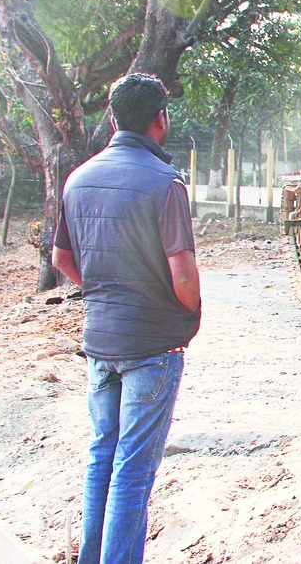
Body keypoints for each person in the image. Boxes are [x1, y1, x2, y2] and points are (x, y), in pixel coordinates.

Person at [51, 73, 202, 564]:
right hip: (153, 348)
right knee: (134, 472)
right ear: (161, 119)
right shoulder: (165, 183)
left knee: (102, 458)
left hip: (99, 343)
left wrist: (101, 290)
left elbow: (60, 258)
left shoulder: (78, 177)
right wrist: (191, 315)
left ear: (113, 118)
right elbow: (184, 276)